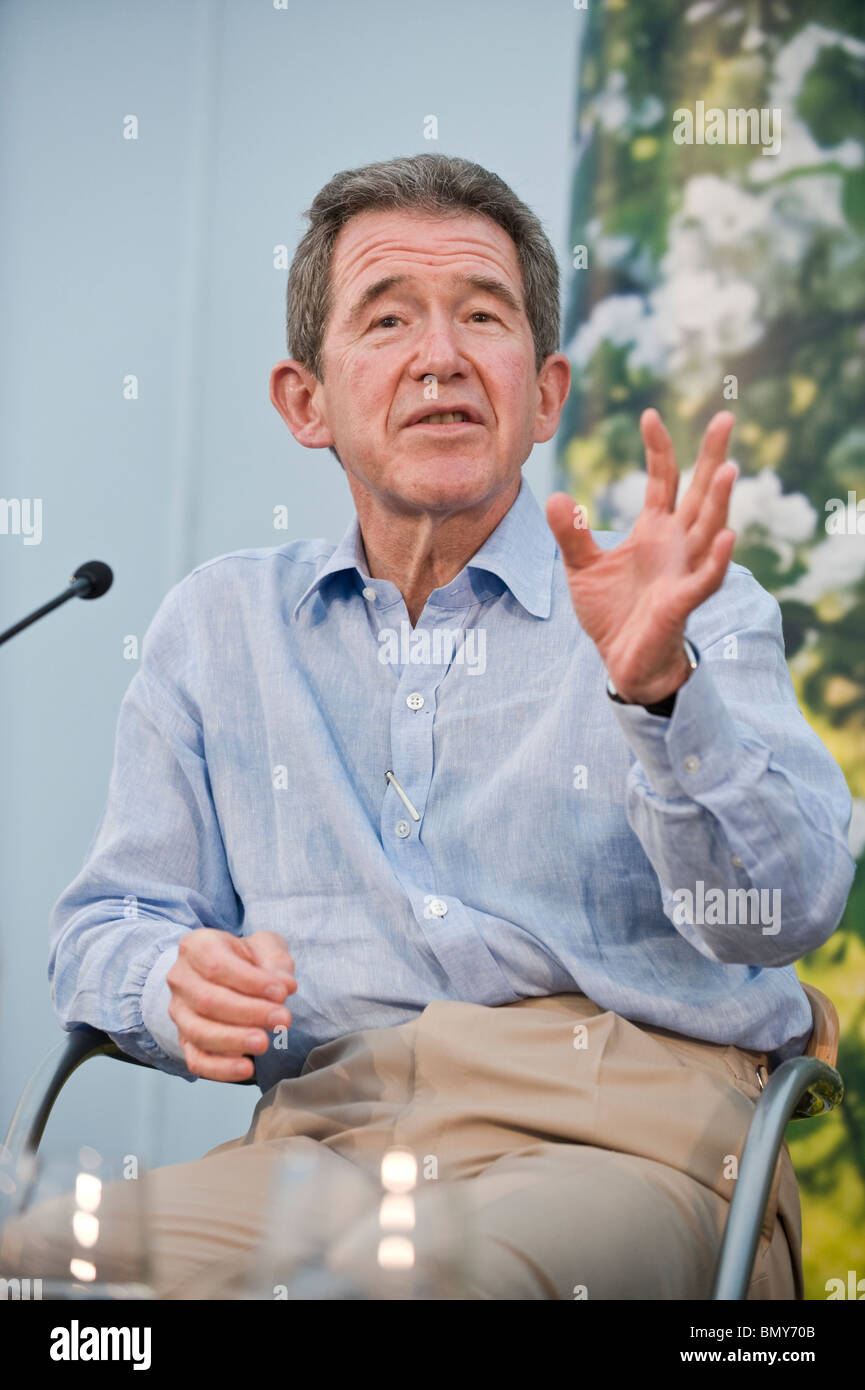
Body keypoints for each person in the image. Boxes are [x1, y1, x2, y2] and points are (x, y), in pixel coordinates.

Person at [3, 154, 855, 1300]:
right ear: (305, 400)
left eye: (482, 316)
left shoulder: (691, 609)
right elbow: (105, 923)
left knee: (398, 1290)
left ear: (545, 391)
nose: (440, 356)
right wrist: (166, 980)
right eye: (388, 316)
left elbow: (788, 908)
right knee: (38, 1273)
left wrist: (661, 694)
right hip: (321, 1146)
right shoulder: (218, 625)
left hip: (619, 1141)